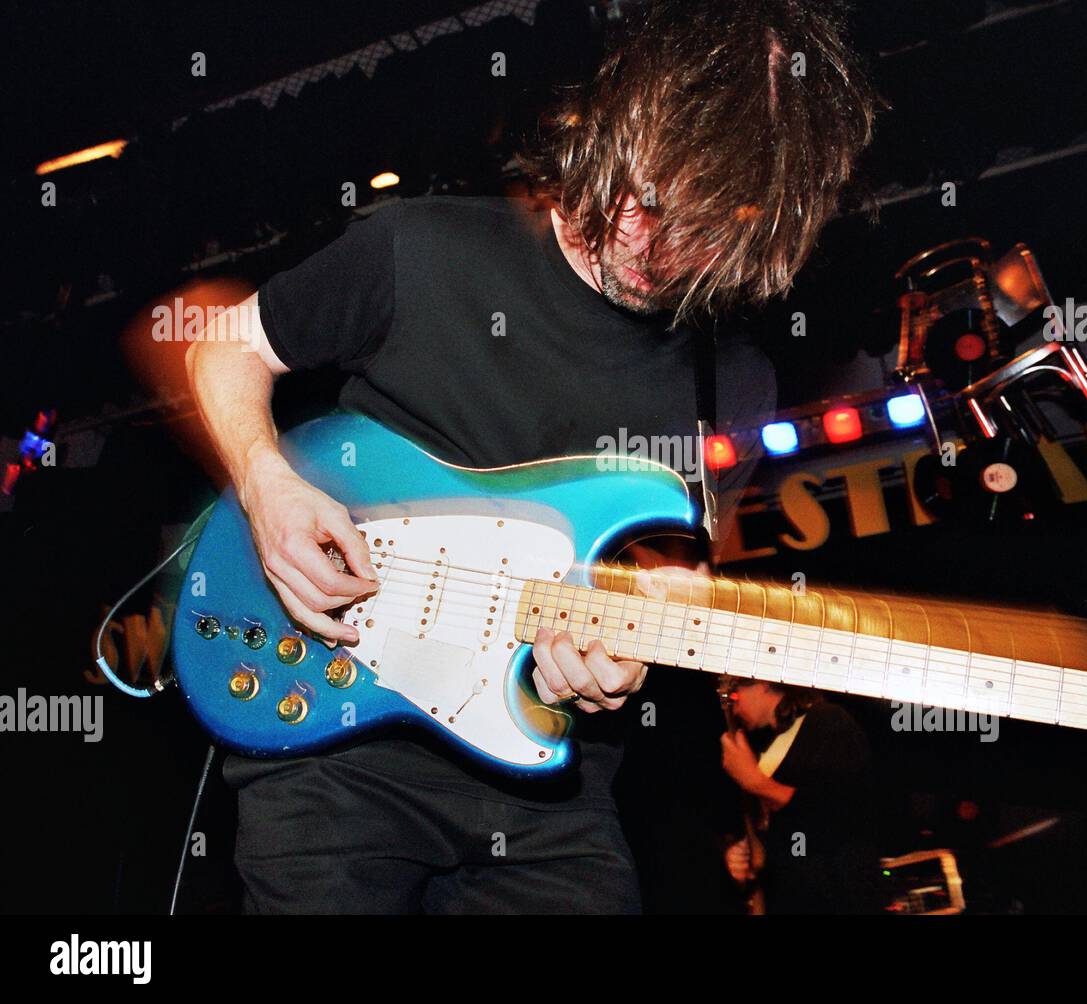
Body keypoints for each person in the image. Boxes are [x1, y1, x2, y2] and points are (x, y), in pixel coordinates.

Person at [184, 0, 878, 914]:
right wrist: (269, 488)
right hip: (336, 743)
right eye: (646, 197)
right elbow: (222, 347)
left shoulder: (735, 388)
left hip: (548, 791)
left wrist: (611, 671)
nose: (649, 244)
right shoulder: (423, 247)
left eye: (701, 229)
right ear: (612, 130)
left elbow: (652, 591)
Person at [721, 679, 884, 913]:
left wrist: (756, 783)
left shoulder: (829, 721)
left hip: (838, 900)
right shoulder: (767, 748)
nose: (734, 710)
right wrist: (742, 855)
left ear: (762, 683)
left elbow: (839, 813)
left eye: (735, 696)